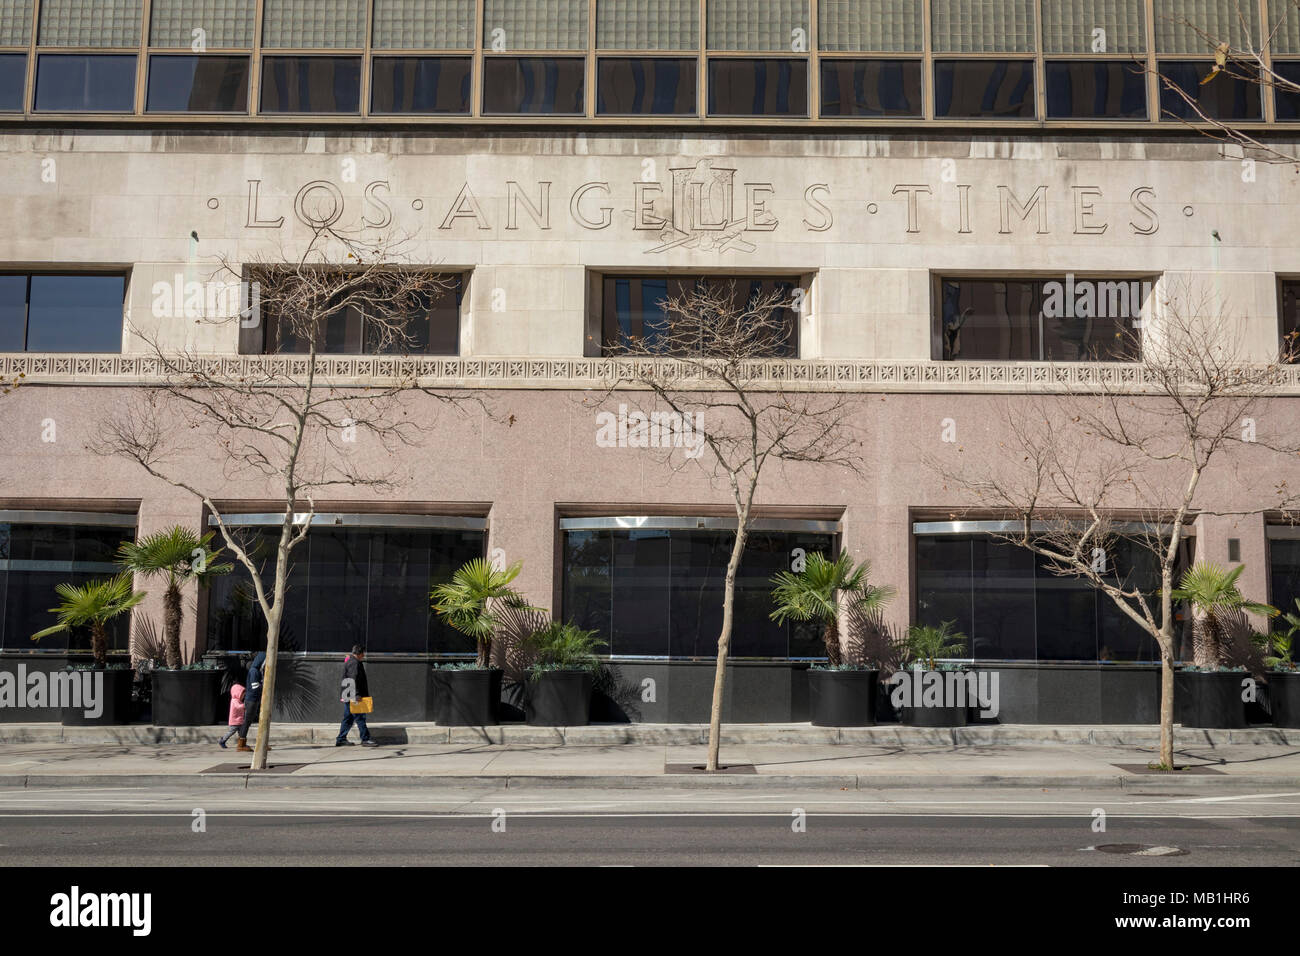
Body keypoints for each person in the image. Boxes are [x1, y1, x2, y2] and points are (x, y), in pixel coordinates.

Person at [336, 645, 377, 747]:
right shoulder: (354, 663)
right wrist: (356, 694)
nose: (364, 655)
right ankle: (365, 739)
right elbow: (352, 679)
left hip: (349, 695)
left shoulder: (351, 661)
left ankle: (341, 739)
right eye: (363, 653)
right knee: (360, 718)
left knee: (348, 718)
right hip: (353, 696)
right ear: (359, 653)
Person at [235, 651, 266, 753]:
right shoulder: (254, 671)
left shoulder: (258, 671)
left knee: (250, 720)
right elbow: (254, 686)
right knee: (247, 721)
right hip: (251, 699)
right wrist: (263, 685)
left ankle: (259, 743)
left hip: (255, 698)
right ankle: (241, 743)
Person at [218, 681, 245, 749]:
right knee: (231, 732)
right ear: (237, 693)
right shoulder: (234, 700)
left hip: (239, 720)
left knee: (242, 732)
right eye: (242, 695)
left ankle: (242, 743)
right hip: (234, 721)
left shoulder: (239, 701)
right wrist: (244, 705)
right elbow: (238, 707)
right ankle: (223, 740)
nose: (243, 696)